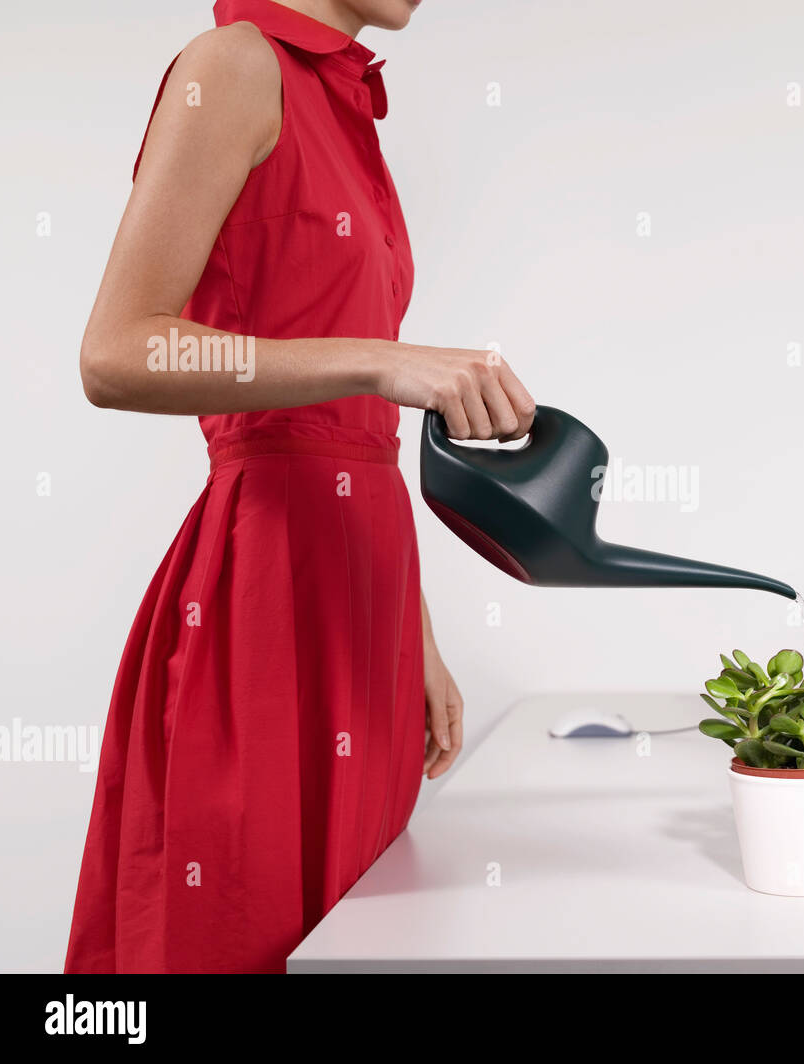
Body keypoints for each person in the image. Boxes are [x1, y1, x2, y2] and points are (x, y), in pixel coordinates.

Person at [64, 0, 533, 973]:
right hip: (266, 600)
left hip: (364, 607)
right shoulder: (233, 67)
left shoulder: (346, 101)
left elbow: (354, 444)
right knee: (242, 926)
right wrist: (380, 361)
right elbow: (114, 352)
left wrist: (419, 636)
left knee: (356, 941)